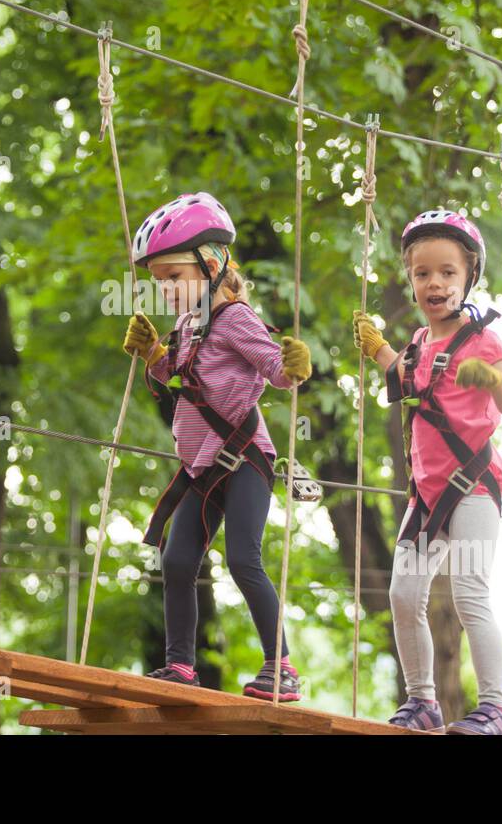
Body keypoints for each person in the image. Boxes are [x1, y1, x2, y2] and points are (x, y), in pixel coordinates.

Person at [123, 191, 312, 702]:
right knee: (177, 560)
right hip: (200, 467)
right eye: (158, 282)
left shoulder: (235, 319)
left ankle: (282, 668)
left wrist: (293, 365)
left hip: (245, 460)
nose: (166, 291)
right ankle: (180, 666)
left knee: (243, 561)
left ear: (211, 264)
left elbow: (275, 372)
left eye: (174, 278)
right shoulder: (188, 327)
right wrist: (154, 353)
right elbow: (178, 380)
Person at [353, 209, 502, 734]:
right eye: (423, 272)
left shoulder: (483, 341)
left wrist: (490, 380)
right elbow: (410, 384)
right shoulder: (417, 345)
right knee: (404, 596)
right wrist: (379, 348)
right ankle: (422, 701)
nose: (435, 282)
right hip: (426, 498)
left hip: (473, 489)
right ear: (411, 280)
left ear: (468, 276)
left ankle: (495, 709)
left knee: (470, 591)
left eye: (447, 272)